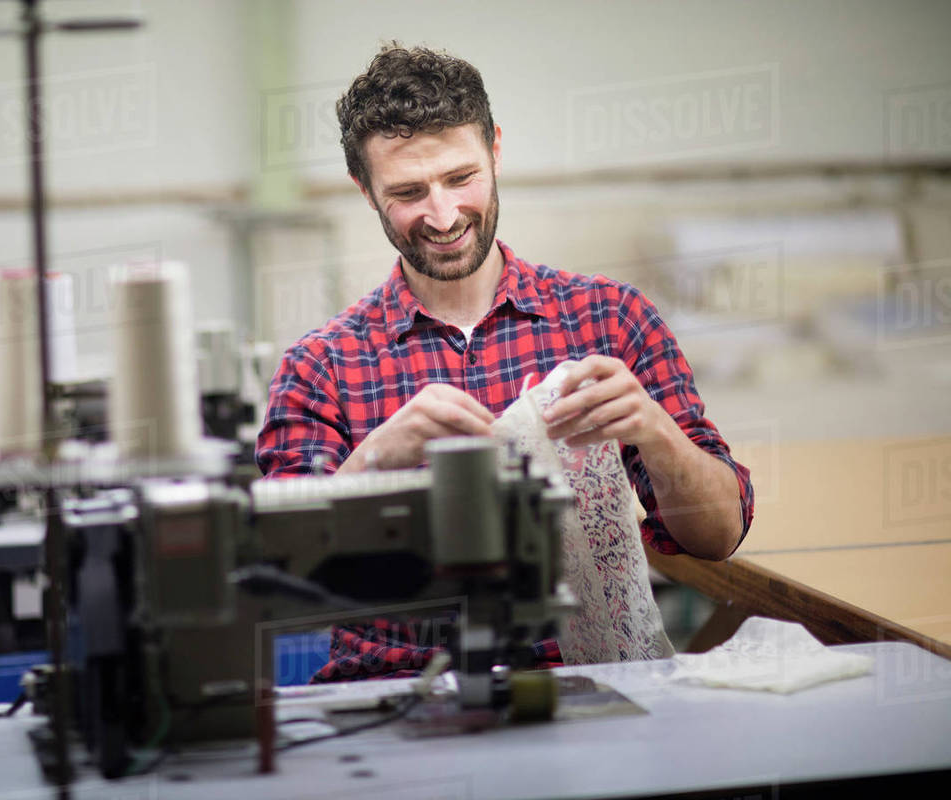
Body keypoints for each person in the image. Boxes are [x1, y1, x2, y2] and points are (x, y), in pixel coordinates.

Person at [256, 44, 753, 679]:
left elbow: (716, 537)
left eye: (461, 179)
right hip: (394, 704)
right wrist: (372, 460)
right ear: (364, 189)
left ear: (495, 150)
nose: (442, 216)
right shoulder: (323, 366)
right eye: (409, 191)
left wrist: (653, 430)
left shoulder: (610, 320)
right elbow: (275, 583)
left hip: (585, 685)